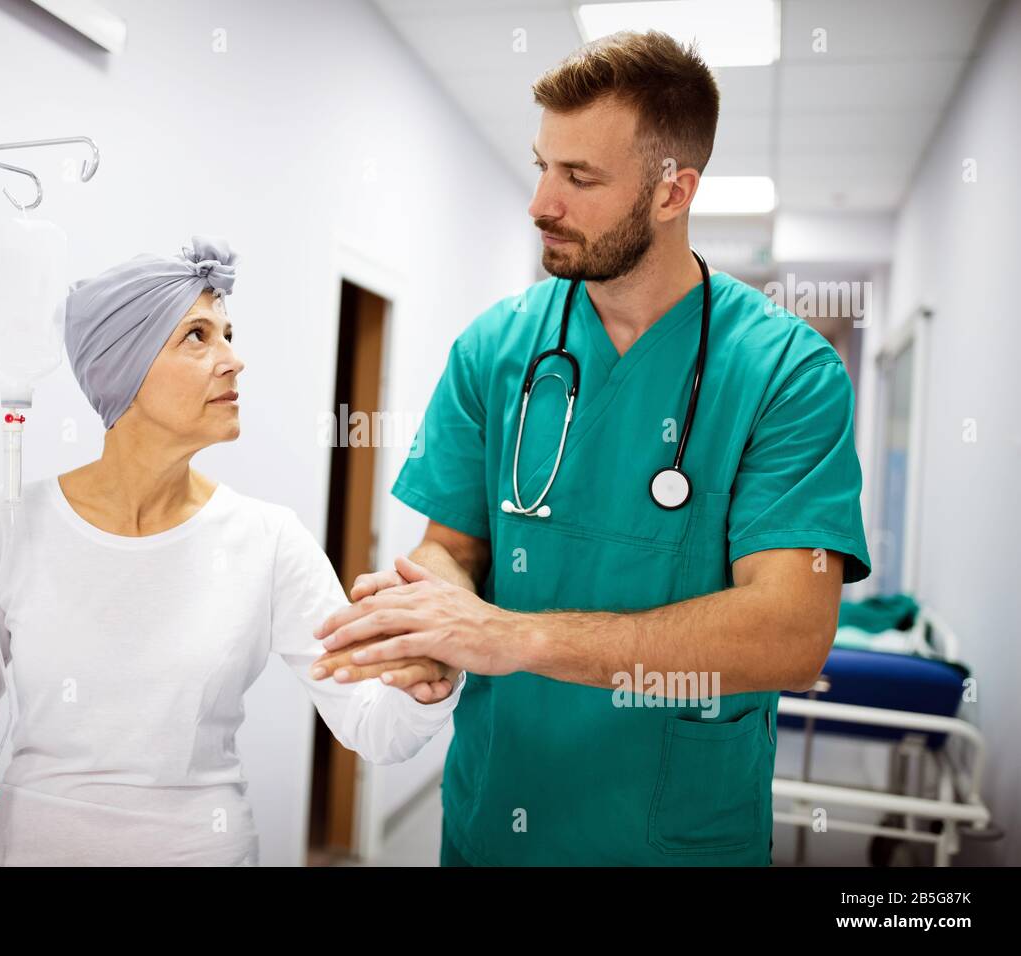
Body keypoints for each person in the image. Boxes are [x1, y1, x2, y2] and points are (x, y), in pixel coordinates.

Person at [310, 31, 872, 866]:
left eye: (579, 178)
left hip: (677, 833)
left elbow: (790, 635)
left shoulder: (786, 372)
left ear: (672, 191)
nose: (542, 201)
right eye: (542, 164)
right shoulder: (497, 348)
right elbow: (450, 546)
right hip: (497, 811)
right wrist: (425, 617)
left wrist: (516, 638)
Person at [0, 236, 464, 865]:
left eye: (228, 333)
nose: (234, 360)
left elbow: (373, 725)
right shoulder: (1, 524)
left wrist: (425, 679)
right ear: (124, 368)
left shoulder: (267, 540)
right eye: (197, 336)